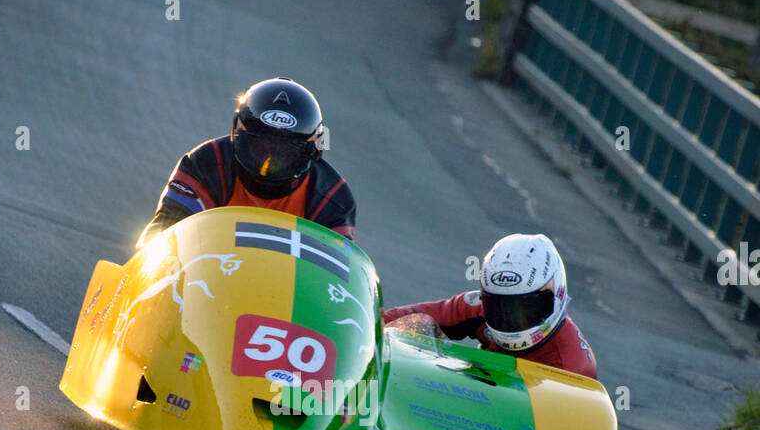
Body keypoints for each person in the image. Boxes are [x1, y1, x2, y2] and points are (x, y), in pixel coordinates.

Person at [137, 77, 356, 247]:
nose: (269, 161)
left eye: (285, 151)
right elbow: (162, 238)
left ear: (312, 150)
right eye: (260, 146)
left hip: (289, 300)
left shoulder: (332, 199)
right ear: (237, 135)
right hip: (200, 287)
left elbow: (338, 280)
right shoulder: (205, 164)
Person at [382, 233, 597, 378]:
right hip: (473, 398)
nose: (511, 319)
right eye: (500, 307)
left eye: (525, 309)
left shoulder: (573, 367)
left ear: (555, 294)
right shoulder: (479, 307)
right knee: (416, 325)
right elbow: (399, 318)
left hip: (524, 426)